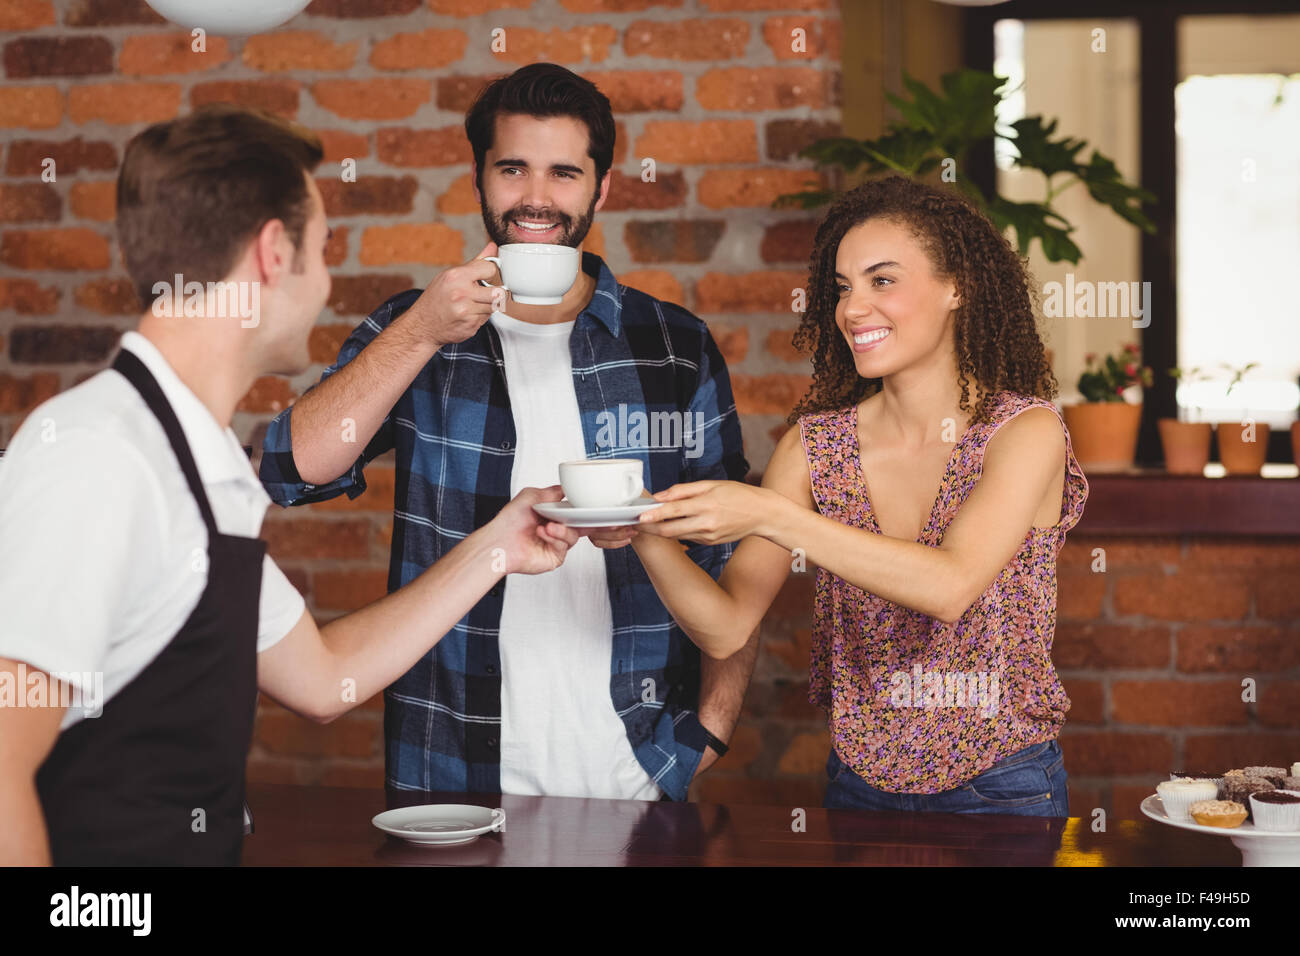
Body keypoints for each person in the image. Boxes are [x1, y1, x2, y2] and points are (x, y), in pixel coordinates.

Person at [0, 105, 579, 866]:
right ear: (275, 253)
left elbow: (324, 680)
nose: (328, 278)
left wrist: (501, 546)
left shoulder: (198, 466)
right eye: (323, 248)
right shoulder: (99, 453)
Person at [259, 63, 757, 803]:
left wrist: (709, 729)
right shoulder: (419, 326)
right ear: (478, 178)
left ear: (601, 189)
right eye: (513, 169)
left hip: (633, 771)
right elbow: (292, 470)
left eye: (563, 173)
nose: (535, 198)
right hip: (450, 772)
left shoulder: (673, 344)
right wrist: (422, 332)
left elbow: (733, 548)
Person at [591, 176, 1088, 816]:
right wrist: (644, 529)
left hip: (1004, 785)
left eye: (882, 281)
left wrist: (774, 515)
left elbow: (951, 585)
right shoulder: (815, 446)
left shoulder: (1026, 432)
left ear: (955, 285)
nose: (853, 309)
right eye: (843, 288)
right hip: (858, 785)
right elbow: (725, 628)